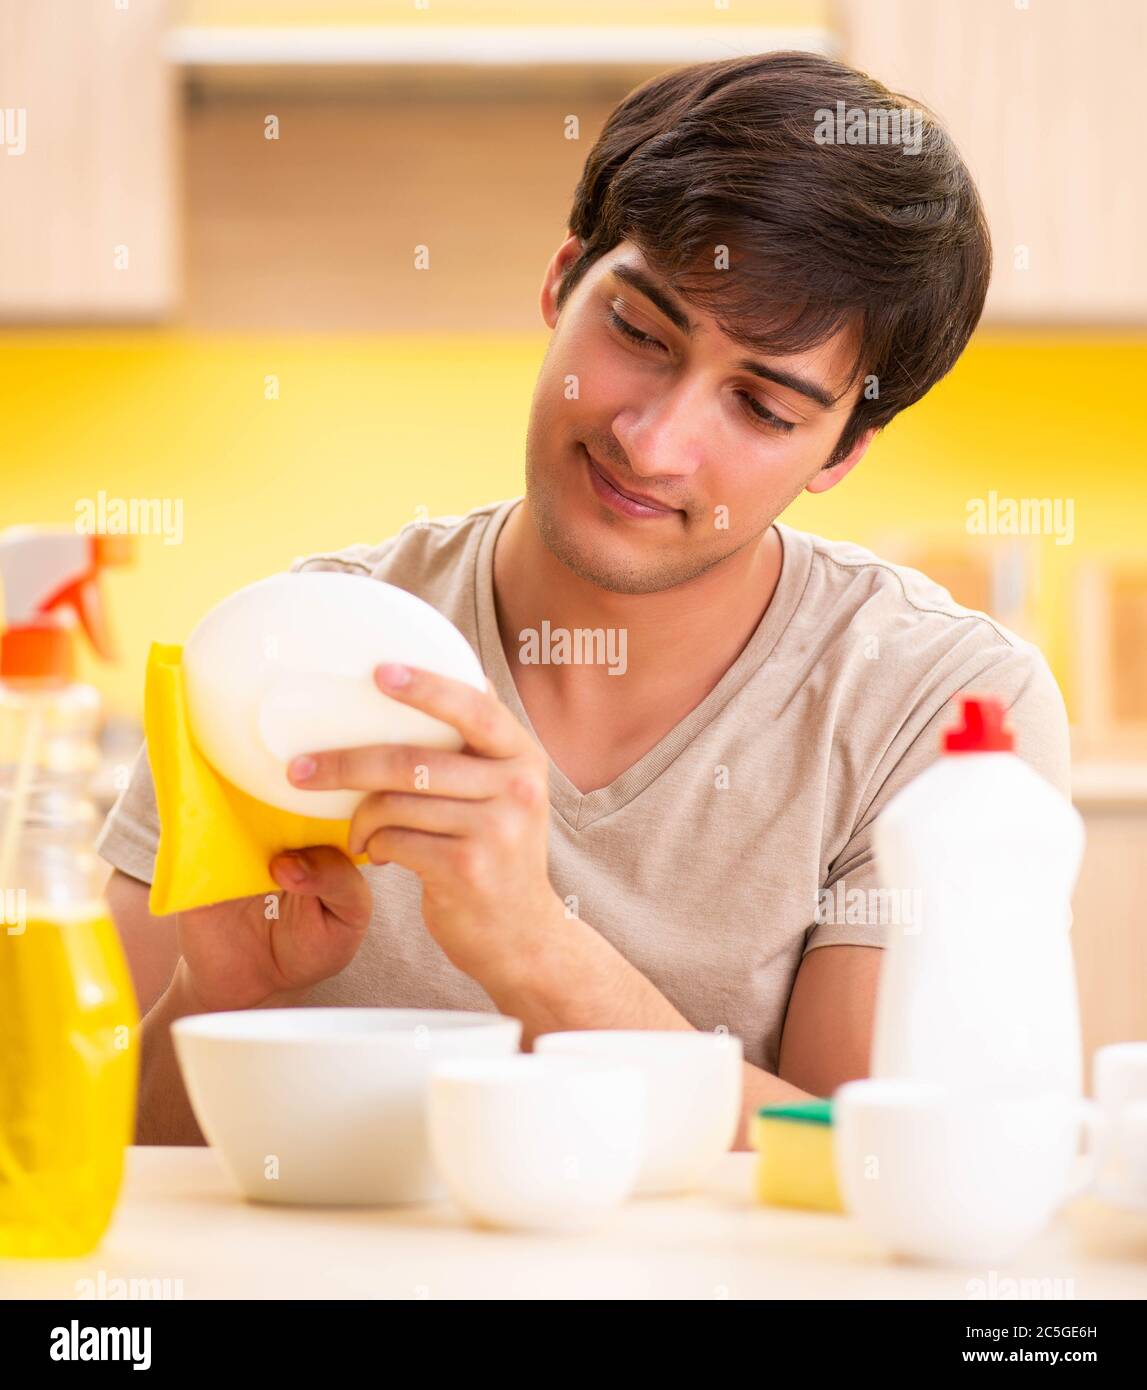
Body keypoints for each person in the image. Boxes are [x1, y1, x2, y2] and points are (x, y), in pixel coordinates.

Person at [97, 51, 1069, 1148]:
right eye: (642, 335)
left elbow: (866, 1164)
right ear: (563, 281)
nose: (654, 443)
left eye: (759, 406)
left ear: (842, 449)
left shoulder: (934, 706)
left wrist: (530, 947)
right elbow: (79, 1165)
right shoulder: (287, 655)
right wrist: (224, 1000)